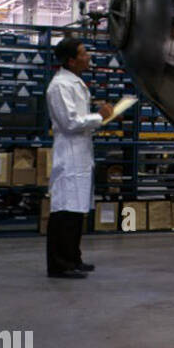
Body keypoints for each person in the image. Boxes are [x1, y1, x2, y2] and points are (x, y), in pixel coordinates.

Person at [45, 37, 112, 278]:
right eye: (83, 53)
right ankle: (59, 265)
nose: (88, 56)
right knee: (64, 211)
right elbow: (70, 122)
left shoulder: (74, 82)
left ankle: (73, 258)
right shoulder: (60, 86)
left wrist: (100, 118)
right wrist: (99, 117)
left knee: (75, 212)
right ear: (71, 60)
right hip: (69, 155)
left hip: (81, 154)